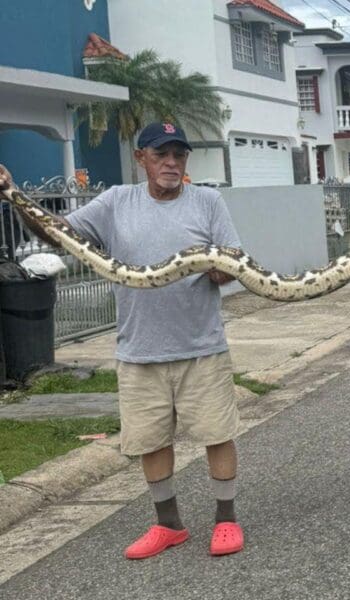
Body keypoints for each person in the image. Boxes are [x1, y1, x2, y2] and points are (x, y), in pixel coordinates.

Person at [0, 122, 247, 558]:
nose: (171, 163)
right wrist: (14, 195)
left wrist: (219, 270)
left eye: (179, 155)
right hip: (139, 349)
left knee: (217, 433)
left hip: (201, 345)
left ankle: (225, 519)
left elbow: (231, 261)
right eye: (161, 155)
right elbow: (57, 233)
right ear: (142, 159)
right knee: (150, 440)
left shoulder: (208, 200)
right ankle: (168, 525)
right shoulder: (115, 201)